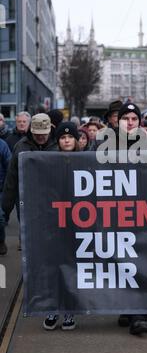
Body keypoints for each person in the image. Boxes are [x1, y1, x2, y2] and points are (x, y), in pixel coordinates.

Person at [116, 102, 147, 335]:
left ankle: (140, 313)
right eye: (126, 118)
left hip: (143, 213)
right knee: (120, 261)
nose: (130, 123)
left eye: (134, 119)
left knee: (141, 261)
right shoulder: (103, 145)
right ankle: (125, 307)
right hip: (116, 212)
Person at [43, 122, 80, 331]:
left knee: (72, 267)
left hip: (78, 222)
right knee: (54, 266)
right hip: (56, 221)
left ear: (76, 140)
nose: (66, 140)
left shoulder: (86, 161)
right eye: (62, 137)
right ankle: (52, 307)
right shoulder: (49, 161)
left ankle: (69, 310)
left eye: (70, 137)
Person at [2, 114, 58, 234]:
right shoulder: (21, 146)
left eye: (43, 133)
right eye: (37, 134)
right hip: (27, 197)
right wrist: (5, 207)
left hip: (53, 197)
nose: (40, 137)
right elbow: (12, 177)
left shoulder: (58, 144)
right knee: (28, 231)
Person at [0, 139, 12, 255]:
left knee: (0, 218)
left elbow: (9, 165)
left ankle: (1, 240)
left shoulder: (2, 144)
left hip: (0, 188)